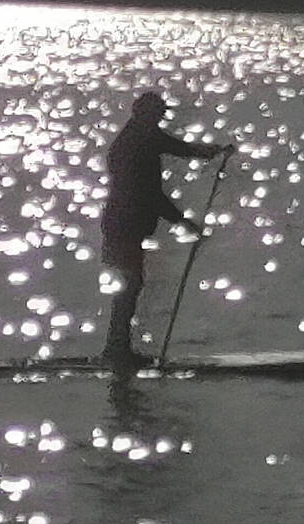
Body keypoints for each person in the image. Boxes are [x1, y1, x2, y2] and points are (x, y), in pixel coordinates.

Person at [99, 91, 231, 367]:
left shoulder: (142, 136)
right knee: (129, 285)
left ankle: (118, 349)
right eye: (157, 113)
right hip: (124, 226)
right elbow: (151, 195)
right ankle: (117, 351)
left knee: (132, 285)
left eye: (162, 113)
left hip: (126, 225)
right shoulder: (137, 141)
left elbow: (179, 148)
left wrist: (212, 152)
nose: (161, 118)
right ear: (144, 114)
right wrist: (184, 222)